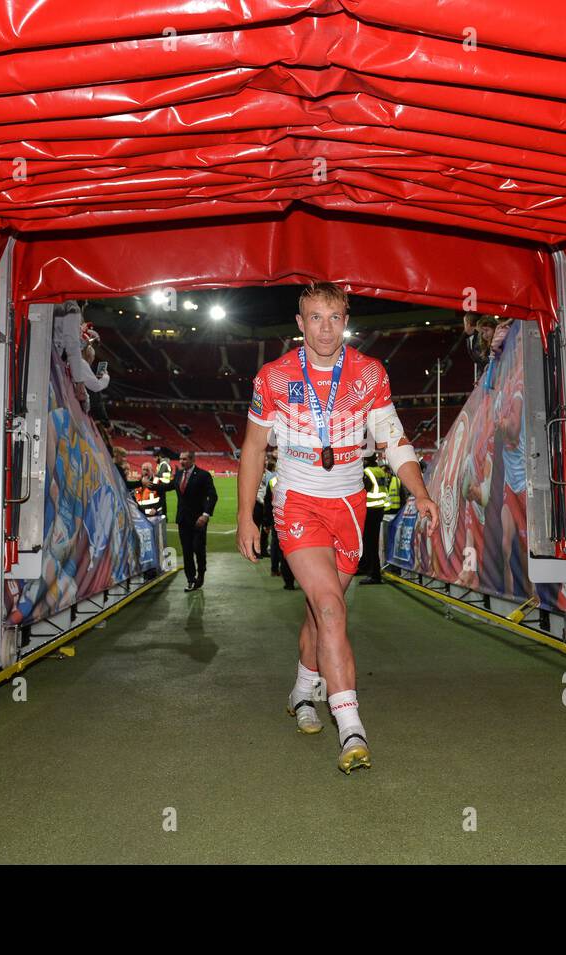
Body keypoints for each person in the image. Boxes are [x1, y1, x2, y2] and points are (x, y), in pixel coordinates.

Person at [237, 280, 439, 774]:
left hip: (348, 506)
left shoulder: (370, 374)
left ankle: (303, 690)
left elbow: (393, 440)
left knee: (321, 613)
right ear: (300, 324)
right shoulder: (274, 376)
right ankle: (350, 728)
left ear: (344, 320)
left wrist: (420, 491)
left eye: (334, 317)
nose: (325, 328)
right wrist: (246, 515)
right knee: (329, 606)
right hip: (297, 502)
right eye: (315, 318)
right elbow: (253, 448)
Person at [162, 450, 217, 591]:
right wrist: (146, 484)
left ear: (192, 460)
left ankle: (201, 574)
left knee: (198, 549)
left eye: (184, 459)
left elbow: (212, 496)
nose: (181, 461)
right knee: (187, 551)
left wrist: (205, 515)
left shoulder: (204, 475)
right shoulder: (179, 474)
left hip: (198, 520)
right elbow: (168, 486)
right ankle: (190, 579)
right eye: (180, 459)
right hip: (183, 520)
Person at [357, 455, 389, 584]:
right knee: (370, 542)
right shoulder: (380, 470)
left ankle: (374, 574)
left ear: (366, 460)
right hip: (378, 509)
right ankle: (365, 568)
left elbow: (364, 489)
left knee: (369, 543)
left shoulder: (367, 472)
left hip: (369, 509)